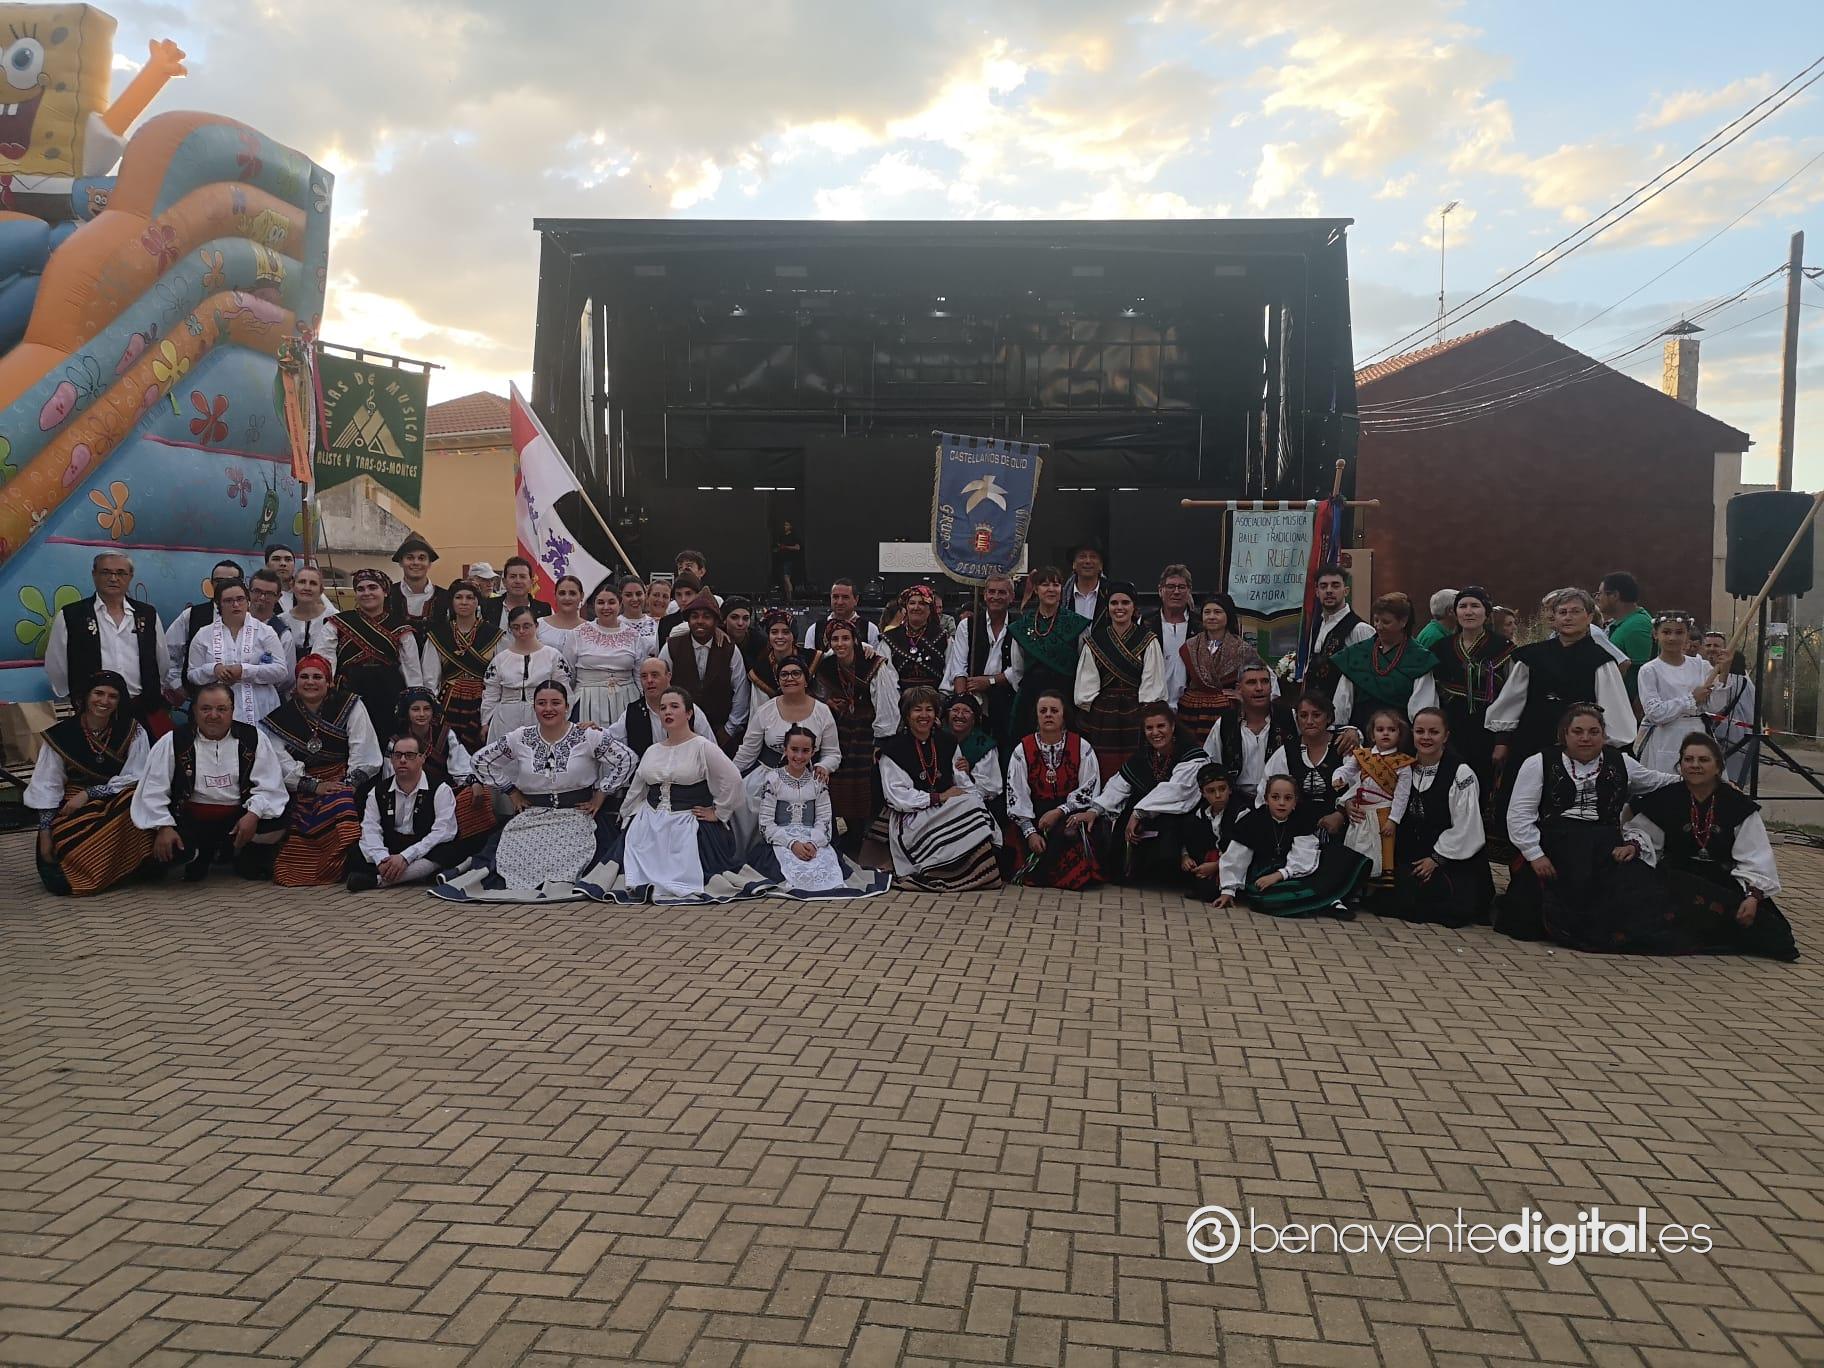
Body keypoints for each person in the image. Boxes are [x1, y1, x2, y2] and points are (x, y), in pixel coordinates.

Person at [435, 681, 638, 903]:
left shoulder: (586, 736)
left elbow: (627, 759)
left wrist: (602, 793)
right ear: (534, 707)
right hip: (533, 816)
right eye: (541, 703)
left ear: (567, 706)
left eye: (555, 703)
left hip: (577, 816)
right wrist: (510, 791)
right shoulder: (521, 737)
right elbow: (481, 761)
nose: (548, 709)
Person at [1498, 702, 1679, 949]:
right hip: (1555, 847)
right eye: (1578, 731)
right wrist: (1535, 855)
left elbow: (1658, 782)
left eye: (1594, 732)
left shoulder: (1621, 762)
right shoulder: (1539, 762)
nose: (1586, 738)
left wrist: (1702, 780)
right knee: (1528, 916)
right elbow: (1519, 815)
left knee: (1641, 905)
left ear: (1604, 735)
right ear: (1564, 734)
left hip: (1605, 849)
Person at [1626, 734, 1799, 961]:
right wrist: (1633, 845)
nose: (1695, 765)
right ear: (1680, 765)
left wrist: (1753, 896)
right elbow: (1643, 833)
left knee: (1778, 939)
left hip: (1722, 881)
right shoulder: (1665, 799)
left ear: (1718, 766)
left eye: (1703, 760)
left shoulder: (1737, 805)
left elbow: (1755, 855)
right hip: (1676, 879)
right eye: (1688, 760)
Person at [605, 685, 764, 903]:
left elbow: (733, 780)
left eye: (674, 707)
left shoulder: (702, 747)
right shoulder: (653, 751)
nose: (667, 712)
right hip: (650, 821)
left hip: (688, 821)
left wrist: (719, 812)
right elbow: (637, 788)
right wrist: (628, 816)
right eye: (662, 708)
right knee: (634, 846)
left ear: (689, 713)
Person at [131, 681, 290, 882]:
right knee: (165, 858)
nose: (213, 715)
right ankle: (196, 855)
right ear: (194, 711)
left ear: (233, 710)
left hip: (237, 819)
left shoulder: (253, 738)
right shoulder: (173, 741)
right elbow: (154, 789)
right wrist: (163, 826)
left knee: (280, 819)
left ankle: (241, 853)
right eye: (206, 709)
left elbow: (270, 785)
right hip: (190, 819)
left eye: (221, 709)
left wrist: (254, 814)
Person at [261, 653, 381, 887]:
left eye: (317, 677)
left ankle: (343, 864)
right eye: (304, 677)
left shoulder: (350, 705)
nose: (310, 682)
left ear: (329, 682)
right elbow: (277, 759)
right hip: (301, 785)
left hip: (342, 778)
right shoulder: (281, 717)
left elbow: (364, 748)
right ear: (296, 682)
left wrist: (347, 784)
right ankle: (310, 866)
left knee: (342, 802)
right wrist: (312, 785)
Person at [27, 671, 153, 895]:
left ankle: (118, 868)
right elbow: (47, 784)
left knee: (135, 801)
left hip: (115, 797)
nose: (104, 701)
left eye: (112, 696)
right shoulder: (62, 735)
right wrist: (45, 832)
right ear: (85, 697)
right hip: (71, 802)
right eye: (98, 693)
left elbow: (138, 775)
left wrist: (91, 793)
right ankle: (89, 870)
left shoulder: (132, 730)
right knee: (60, 862)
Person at [1486, 588, 1635, 775]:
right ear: (1554, 618)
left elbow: (1614, 711)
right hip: (1531, 741)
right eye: (1562, 612)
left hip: (1580, 749)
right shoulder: (1531, 656)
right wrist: (1502, 741)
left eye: (1575, 612)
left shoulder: (1600, 661)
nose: (1568, 617)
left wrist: (1606, 749)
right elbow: (1511, 701)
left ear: (1589, 617)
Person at [877, 686, 1003, 892]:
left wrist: (969, 797)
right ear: (907, 715)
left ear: (936, 714)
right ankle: (937, 868)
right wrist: (937, 797)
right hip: (911, 815)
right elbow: (898, 797)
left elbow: (962, 781)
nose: (924, 715)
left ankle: (971, 870)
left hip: (944, 808)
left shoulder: (947, 742)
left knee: (974, 805)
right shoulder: (893, 750)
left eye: (929, 709)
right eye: (918, 710)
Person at [1068, 702, 1206, 885]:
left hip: (1179, 816)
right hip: (1148, 815)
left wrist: (1138, 812)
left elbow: (1176, 792)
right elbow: (1119, 785)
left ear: (1172, 726)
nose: (1155, 732)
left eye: (1161, 726)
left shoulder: (1192, 755)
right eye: (1149, 728)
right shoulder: (1145, 755)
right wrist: (1094, 810)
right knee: (1121, 819)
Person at [1377, 707, 1491, 927]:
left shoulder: (1461, 772)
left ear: (1446, 736)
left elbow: (1466, 826)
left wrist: (1436, 859)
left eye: (1434, 732)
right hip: (1412, 852)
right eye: (1420, 731)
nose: (1426, 737)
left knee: (1448, 903)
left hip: (1452, 857)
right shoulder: (1401, 766)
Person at [45, 551, 172, 729]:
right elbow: (56, 666)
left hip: (140, 708)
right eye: (106, 572)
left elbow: (162, 661)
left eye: (120, 573)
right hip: (93, 711)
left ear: (130, 577)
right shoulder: (71, 615)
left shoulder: (147, 614)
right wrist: (78, 698)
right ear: (94, 574)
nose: (113, 578)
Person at [1214, 775, 1367, 918]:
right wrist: (1228, 890)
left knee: (1337, 856)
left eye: (1288, 798)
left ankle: (1329, 901)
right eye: (1275, 797)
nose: (1281, 803)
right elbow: (1237, 856)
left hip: (1294, 869)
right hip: (1263, 871)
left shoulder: (1301, 819)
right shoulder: (1252, 820)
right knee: (1265, 899)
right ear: (1266, 799)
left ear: (1295, 802)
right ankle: (1324, 902)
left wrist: (1280, 874)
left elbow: (1304, 856)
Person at [731, 654, 840, 848]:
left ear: (806, 680)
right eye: (784, 675)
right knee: (744, 803)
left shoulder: (822, 711)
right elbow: (747, 752)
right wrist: (727, 778)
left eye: (796, 673)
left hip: (807, 779)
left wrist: (823, 766)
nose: (790, 678)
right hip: (767, 775)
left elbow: (833, 753)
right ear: (779, 681)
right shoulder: (765, 711)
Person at [812, 619, 899, 846]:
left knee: (865, 787)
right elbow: (817, 695)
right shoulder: (826, 666)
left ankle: (864, 839)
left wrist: (881, 741)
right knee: (837, 786)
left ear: (855, 640)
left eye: (846, 638)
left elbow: (886, 705)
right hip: (838, 733)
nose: (841, 643)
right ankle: (842, 839)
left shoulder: (873, 664)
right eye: (835, 639)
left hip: (866, 733)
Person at [1005, 690, 1103, 889]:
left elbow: (1090, 789)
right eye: (1043, 711)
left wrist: (1060, 811)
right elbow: (1016, 795)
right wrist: (1030, 833)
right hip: (1033, 814)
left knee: (1067, 834)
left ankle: (1051, 875)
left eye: (1054, 710)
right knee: (1027, 845)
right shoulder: (1022, 750)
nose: (1048, 715)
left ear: (1064, 715)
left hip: (1069, 812)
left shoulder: (1082, 747)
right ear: (1036, 716)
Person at [346, 733, 463, 891]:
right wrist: (381, 859)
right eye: (398, 755)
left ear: (422, 758)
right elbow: (370, 828)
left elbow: (443, 831)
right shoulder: (378, 791)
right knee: (356, 853)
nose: (402, 760)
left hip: (423, 848)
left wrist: (405, 857)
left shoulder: (440, 789)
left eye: (409, 755)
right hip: (391, 850)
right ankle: (410, 874)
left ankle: (380, 881)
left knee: (445, 851)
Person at [391, 687, 494, 860]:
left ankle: (473, 851)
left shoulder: (445, 734)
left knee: (477, 794)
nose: (422, 714)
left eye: (427, 709)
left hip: (441, 792)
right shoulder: (396, 740)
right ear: (406, 712)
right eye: (415, 709)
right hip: (408, 793)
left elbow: (462, 766)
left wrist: (475, 782)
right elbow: (391, 776)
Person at [1075, 581, 1165, 777]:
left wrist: (1145, 710)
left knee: (1137, 765)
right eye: (1114, 603)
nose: (1120, 608)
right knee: (1105, 766)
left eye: (1125, 602)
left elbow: (1152, 682)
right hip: (1103, 713)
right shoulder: (1095, 641)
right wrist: (1095, 707)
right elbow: (1086, 684)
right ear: (1108, 608)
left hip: (1137, 711)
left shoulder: (1148, 640)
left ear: (1134, 608)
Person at [1428, 587, 1514, 788]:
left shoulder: (1504, 648)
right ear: (1455, 612)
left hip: (1488, 731)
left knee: (1483, 784)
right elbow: (1429, 692)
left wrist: (1503, 740)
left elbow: (1511, 697)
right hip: (1450, 730)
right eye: (1462, 606)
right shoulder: (1441, 648)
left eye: (1475, 606)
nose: (1468, 612)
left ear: (1486, 612)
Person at [1330, 592, 1437, 734]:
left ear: (1403, 621)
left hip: (1401, 735)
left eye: (1386, 622)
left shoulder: (1420, 659)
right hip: (1360, 734)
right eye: (1376, 620)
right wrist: (1343, 729)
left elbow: (1423, 707)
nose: (1379, 626)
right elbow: (1342, 700)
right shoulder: (1358, 653)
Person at [754, 726, 846, 891]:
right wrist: (792, 844)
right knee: (787, 871)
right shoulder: (773, 780)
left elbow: (824, 820)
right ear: (785, 749)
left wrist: (813, 843)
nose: (799, 756)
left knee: (824, 867)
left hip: (812, 839)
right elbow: (766, 824)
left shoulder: (817, 781)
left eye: (805, 751)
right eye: (794, 749)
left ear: (813, 752)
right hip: (782, 841)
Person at [1333, 708, 1415, 890]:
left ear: (1399, 734)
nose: (1385, 733)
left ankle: (1376, 891)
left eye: (1391, 730)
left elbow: (1402, 796)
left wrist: (1393, 820)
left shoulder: (1403, 763)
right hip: (1361, 812)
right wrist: (1339, 778)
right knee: (1356, 848)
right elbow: (1347, 771)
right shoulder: (1363, 756)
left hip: (1384, 814)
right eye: (1380, 729)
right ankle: (1352, 889)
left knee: (1379, 853)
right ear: (1372, 734)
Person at [185, 581, 288, 724]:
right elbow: (192, 674)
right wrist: (214, 669)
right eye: (228, 600)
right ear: (218, 604)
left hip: (261, 707)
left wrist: (244, 670)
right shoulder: (203, 634)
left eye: (240, 599)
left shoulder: (265, 632)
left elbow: (281, 671)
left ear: (248, 601)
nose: (235, 605)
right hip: (217, 709)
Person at [1008, 566, 1091, 742]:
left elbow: (1084, 666)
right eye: (1045, 585)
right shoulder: (1022, 626)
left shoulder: (1077, 624)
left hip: (1067, 696)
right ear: (1036, 590)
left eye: (1056, 584)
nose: (1051, 589)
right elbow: (1017, 669)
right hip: (1031, 698)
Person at [418, 579, 502, 751]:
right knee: (447, 749)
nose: (464, 602)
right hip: (448, 702)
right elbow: (430, 678)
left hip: (483, 701)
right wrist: (433, 709)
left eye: (470, 597)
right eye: (459, 597)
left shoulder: (494, 635)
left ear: (478, 601)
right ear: (451, 602)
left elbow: (501, 674)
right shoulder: (439, 635)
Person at [1174, 592, 1263, 747]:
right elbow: (1178, 683)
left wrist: (1241, 695)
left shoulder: (1242, 649)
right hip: (1191, 713)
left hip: (1226, 712)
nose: (1211, 617)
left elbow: (1262, 680)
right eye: (1207, 612)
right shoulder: (1190, 646)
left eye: (1218, 612)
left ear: (1228, 616)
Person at [1262, 691, 1352, 842]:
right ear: (1297, 719)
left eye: (1316, 715)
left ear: (1328, 717)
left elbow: (1362, 788)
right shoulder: (1287, 752)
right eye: (1303, 715)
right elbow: (1266, 791)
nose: (1309, 721)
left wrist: (1341, 814)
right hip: (1295, 830)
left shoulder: (1343, 748)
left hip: (1342, 829)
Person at [332, 569, 415, 732]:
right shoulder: (339, 623)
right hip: (349, 694)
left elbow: (411, 669)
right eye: (360, 589)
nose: (366, 593)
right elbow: (325, 659)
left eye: (372, 587)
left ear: (385, 592)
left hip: (389, 696)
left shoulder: (401, 627)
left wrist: (415, 699)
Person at [944, 573, 1017, 756]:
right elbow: (959, 666)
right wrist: (963, 701)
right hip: (973, 696)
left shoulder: (1020, 626)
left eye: (1002, 592)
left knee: (1004, 747)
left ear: (1011, 597)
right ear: (984, 595)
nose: (996, 596)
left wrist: (990, 681)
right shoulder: (967, 625)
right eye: (991, 591)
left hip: (1007, 698)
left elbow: (1019, 669)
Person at [1203, 663, 1298, 805]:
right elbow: (1211, 764)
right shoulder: (1225, 723)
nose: (1259, 688)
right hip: (1236, 803)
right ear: (1239, 688)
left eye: (1265, 681)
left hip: (1280, 803)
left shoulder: (1290, 717)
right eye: (1251, 682)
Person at [662, 598, 750, 749]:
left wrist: (729, 729)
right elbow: (662, 685)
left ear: (716, 621)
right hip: (679, 728)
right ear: (688, 620)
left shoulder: (730, 649)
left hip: (720, 730)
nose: (700, 621)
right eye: (695, 616)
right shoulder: (672, 646)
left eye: (707, 617)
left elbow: (741, 692)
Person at [482, 605, 572, 745]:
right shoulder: (500, 659)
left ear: (536, 626)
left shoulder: (553, 656)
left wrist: (564, 719)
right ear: (510, 629)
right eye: (516, 627)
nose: (521, 631)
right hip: (505, 719)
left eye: (526, 626)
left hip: (543, 716)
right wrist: (485, 721)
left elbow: (565, 690)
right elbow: (491, 694)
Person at [1636, 612, 1713, 774]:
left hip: (1699, 734)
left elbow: (1716, 706)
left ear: (1687, 635)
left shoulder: (1701, 666)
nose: (1672, 638)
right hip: (1666, 737)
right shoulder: (1649, 670)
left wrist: (1724, 671)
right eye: (1666, 632)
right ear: (1655, 634)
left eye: (1679, 632)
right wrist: (1691, 699)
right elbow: (1655, 713)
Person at [570, 580, 651, 725]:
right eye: (600, 602)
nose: (606, 607)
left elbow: (639, 675)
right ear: (593, 605)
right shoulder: (578, 633)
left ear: (620, 604)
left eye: (611, 602)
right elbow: (569, 674)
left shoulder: (633, 636)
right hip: (587, 701)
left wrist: (643, 704)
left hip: (626, 700)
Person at [164, 559, 245, 700]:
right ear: (211, 584)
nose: (224, 586)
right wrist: (179, 685)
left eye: (231, 581)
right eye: (219, 581)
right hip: (202, 704)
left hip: (247, 702)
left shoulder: (252, 619)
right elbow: (167, 654)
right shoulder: (192, 615)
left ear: (242, 584)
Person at [606, 656, 717, 756]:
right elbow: (610, 737)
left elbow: (712, 750)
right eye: (644, 676)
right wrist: (592, 731)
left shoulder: (689, 709)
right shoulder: (632, 712)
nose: (649, 680)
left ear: (668, 676)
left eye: (655, 675)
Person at [1300, 563, 1372, 699]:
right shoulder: (1317, 627)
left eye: (1335, 585)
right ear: (1317, 592)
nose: (1329, 590)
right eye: (1323, 586)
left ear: (1346, 591)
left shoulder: (1359, 629)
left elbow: (1368, 678)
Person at [1180, 765, 1247, 903]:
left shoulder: (1241, 813)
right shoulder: (1200, 814)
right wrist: (1185, 857)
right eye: (1211, 791)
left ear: (1230, 789)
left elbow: (1241, 851)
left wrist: (1217, 865)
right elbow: (1190, 840)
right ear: (1202, 793)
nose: (1218, 795)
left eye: (1222, 789)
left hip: (1235, 864)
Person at [1699, 630, 1755, 783]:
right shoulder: (1700, 672)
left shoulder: (1738, 678)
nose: (1712, 649)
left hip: (1732, 736)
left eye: (1717, 646)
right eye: (1708, 645)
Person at [1144, 565, 1196, 709]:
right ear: (1160, 590)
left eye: (1182, 587)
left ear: (1189, 591)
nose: (1176, 592)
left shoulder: (1200, 626)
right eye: (1171, 587)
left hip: (1190, 707)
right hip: (1155, 706)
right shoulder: (1145, 625)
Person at [881, 585, 950, 692]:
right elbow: (887, 675)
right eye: (912, 603)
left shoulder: (943, 637)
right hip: (899, 699)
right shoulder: (890, 637)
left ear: (930, 609)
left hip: (934, 700)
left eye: (922, 603)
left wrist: (942, 696)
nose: (916, 607)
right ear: (906, 607)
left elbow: (950, 670)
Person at [1597, 571, 1653, 702]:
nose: (1597, 598)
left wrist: (1637, 708)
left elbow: (1643, 671)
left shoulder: (1637, 625)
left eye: (1600, 593)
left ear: (1615, 595)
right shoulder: (1619, 623)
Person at [944, 692, 1003, 807]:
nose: (960, 715)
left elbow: (993, 788)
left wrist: (969, 774)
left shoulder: (984, 745)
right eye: (955, 710)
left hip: (971, 804)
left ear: (974, 718)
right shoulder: (936, 737)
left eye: (966, 711)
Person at [750, 608, 818, 700]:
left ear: (793, 636)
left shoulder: (812, 659)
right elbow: (758, 708)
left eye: (786, 632)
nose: (780, 637)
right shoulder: (760, 671)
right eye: (774, 632)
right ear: (768, 636)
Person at [280, 565, 339, 671]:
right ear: (293, 586)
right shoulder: (281, 621)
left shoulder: (335, 619)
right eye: (302, 582)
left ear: (321, 590)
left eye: (313, 583)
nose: (307, 588)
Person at [390, 532, 449, 632]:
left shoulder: (446, 597)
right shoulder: (387, 595)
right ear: (401, 562)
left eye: (421, 558)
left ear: (429, 563)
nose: (416, 563)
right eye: (410, 558)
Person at [803, 578, 881, 651]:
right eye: (835, 597)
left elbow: (877, 662)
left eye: (845, 597)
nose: (840, 602)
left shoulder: (870, 629)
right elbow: (809, 663)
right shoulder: (814, 630)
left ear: (856, 600)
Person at [486, 557, 552, 630]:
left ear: (531, 582)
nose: (517, 581)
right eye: (512, 577)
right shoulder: (487, 607)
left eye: (522, 577)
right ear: (504, 582)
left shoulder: (544, 610)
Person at [538, 574, 587, 662]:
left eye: (572, 593)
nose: (567, 598)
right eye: (562, 593)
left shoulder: (590, 629)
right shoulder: (539, 625)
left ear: (582, 596)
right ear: (555, 595)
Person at [1067, 544, 1110, 622]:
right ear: (1073, 564)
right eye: (1082, 557)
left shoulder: (1111, 594)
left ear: (1101, 566)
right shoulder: (1062, 596)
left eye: (1093, 557)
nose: (1087, 561)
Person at [619, 574, 659, 653]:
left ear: (645, 595)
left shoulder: (656, 623)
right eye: (628, 595)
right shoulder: (614, 624)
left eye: (638, 594)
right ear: (620, 597)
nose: (634, 599)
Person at [721, 597, 756, 671]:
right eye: (734, 617)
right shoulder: (714, 638)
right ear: (724, 620)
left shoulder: (760, 642)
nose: (740, 623)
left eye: (745, 618)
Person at [772, 521, 803, 599]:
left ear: (790, 526)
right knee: (784, 580)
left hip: (789, 560)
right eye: (784, 525)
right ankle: (787, 598)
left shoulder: (793, 536)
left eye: (786, 525)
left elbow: (797, 547)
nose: (785, 526)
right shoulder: (782, 536)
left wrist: (786, 547)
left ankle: (791, 599)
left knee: (786, 578)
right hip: (781, 561)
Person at [264, 545, 297, 612]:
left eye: (288, 559)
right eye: (276, 559)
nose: (283, 563)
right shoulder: (258, 594)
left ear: (294, 566)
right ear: (267, 565)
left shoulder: (306, 593)